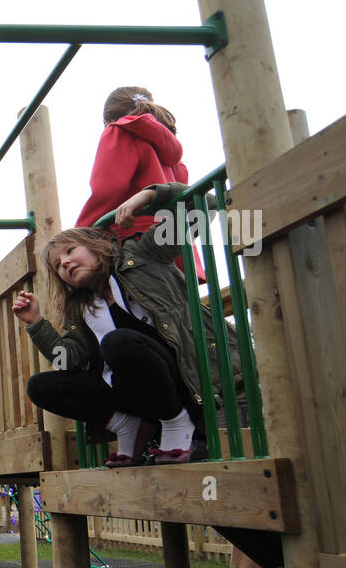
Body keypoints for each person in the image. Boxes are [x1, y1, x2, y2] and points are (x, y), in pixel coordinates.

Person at [13, 184, 240, 467]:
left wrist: (149, 196)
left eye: (71, 250)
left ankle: (178, 423)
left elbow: (201, 206)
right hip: (142, 396)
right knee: (40, 386)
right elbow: (67, 361)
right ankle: (127, 425)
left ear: (97, 245)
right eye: (59, 265)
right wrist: (36, 324)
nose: (66, 263)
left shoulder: (143, 254)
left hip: (189, 378)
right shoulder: (82, 309)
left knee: (118, 342)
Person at [76, 86, 202, 279]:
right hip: (174, 242)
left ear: (106, 120)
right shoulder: (172, 154)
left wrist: (80, 231)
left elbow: (108, 188)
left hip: (136, 239)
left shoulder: (118, 130)